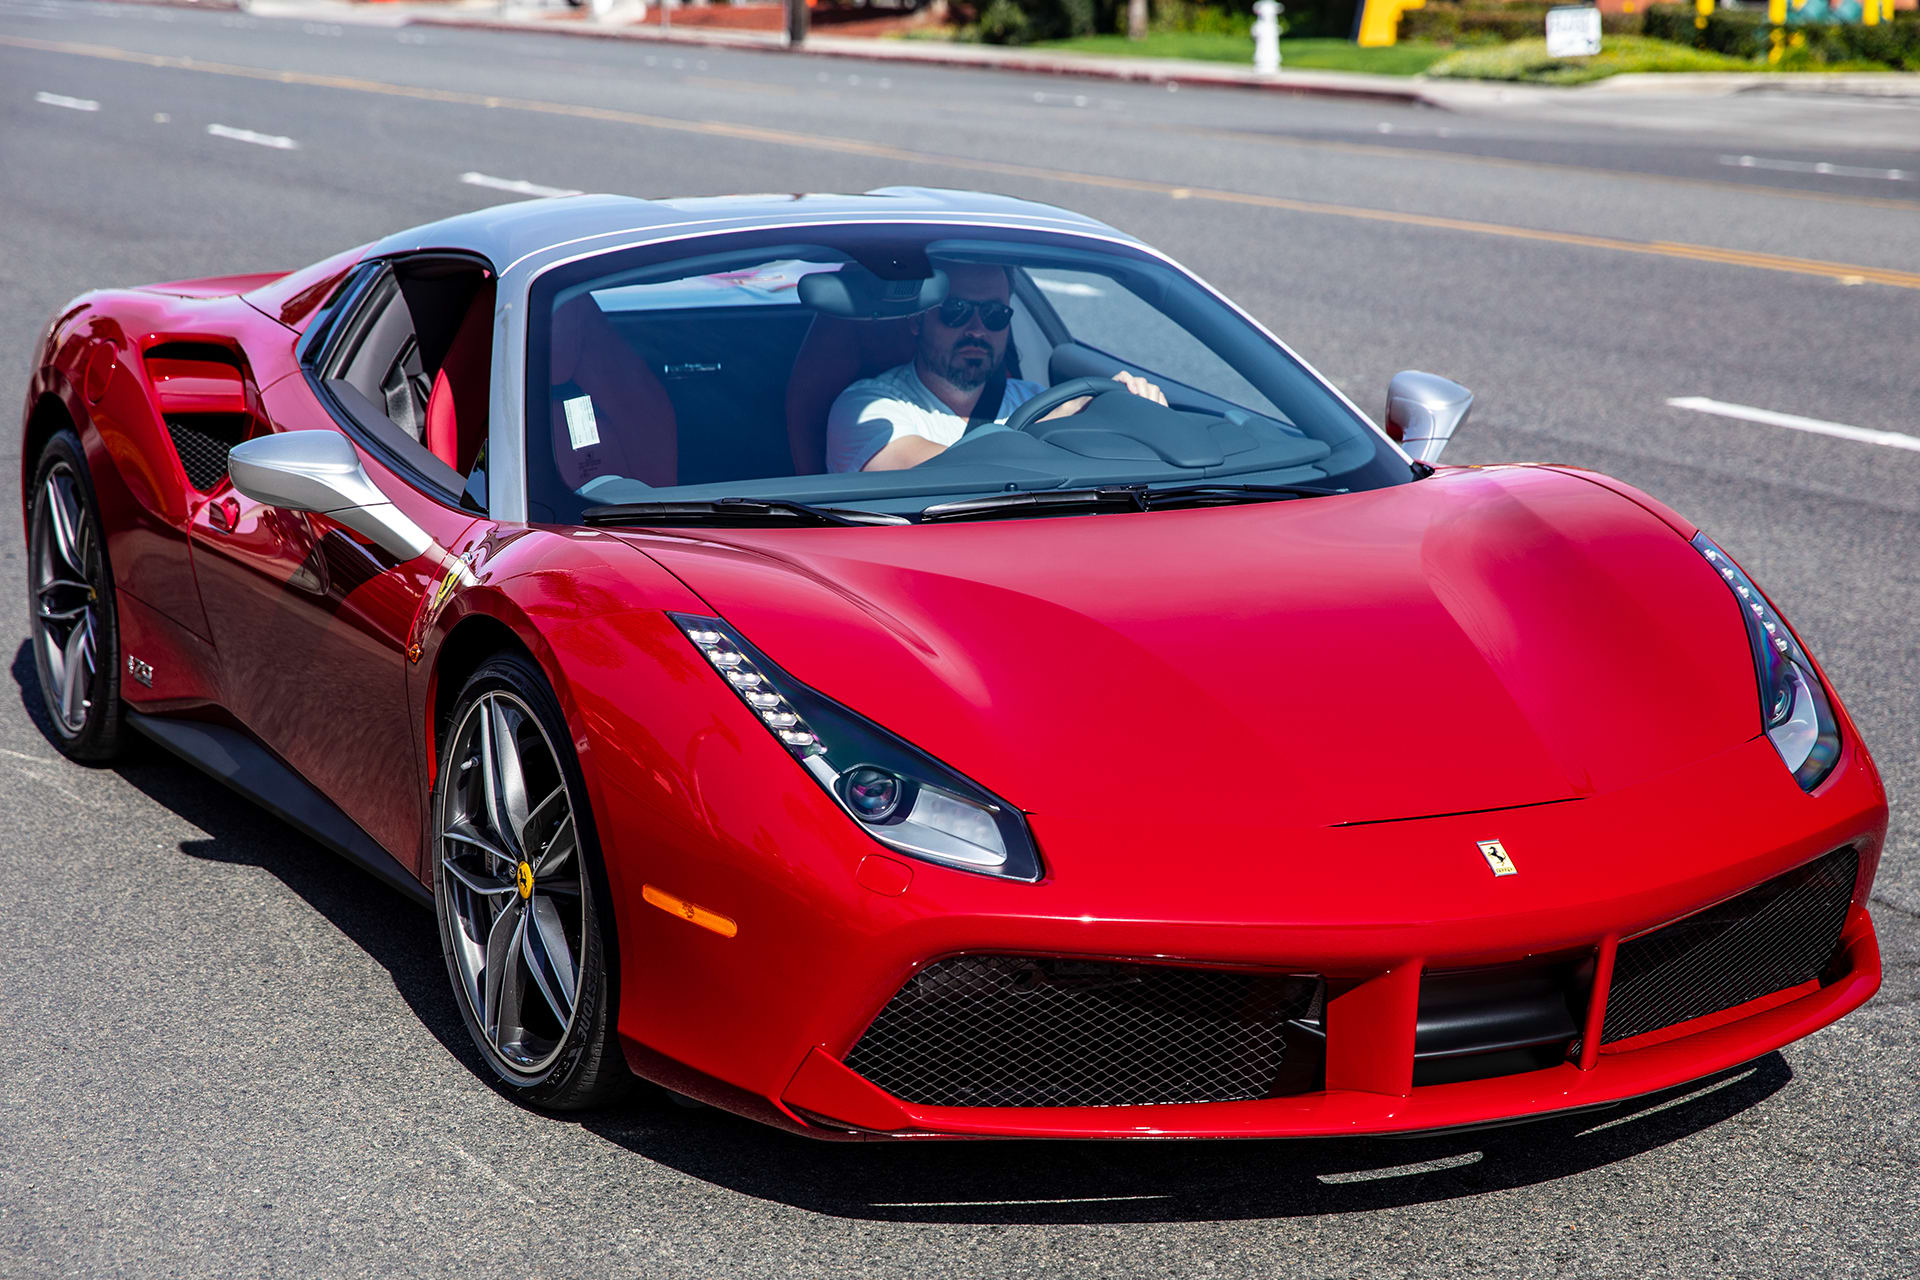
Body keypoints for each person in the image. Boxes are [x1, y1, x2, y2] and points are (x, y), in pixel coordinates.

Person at [824, 262, 1166, 473]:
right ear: (917, 320)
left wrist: (1129, 412)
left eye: (994, 315)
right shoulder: (868, 408)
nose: (977, 330)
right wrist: (1054, 421)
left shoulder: (1036, 400)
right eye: (956, 311)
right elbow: (936, 474)